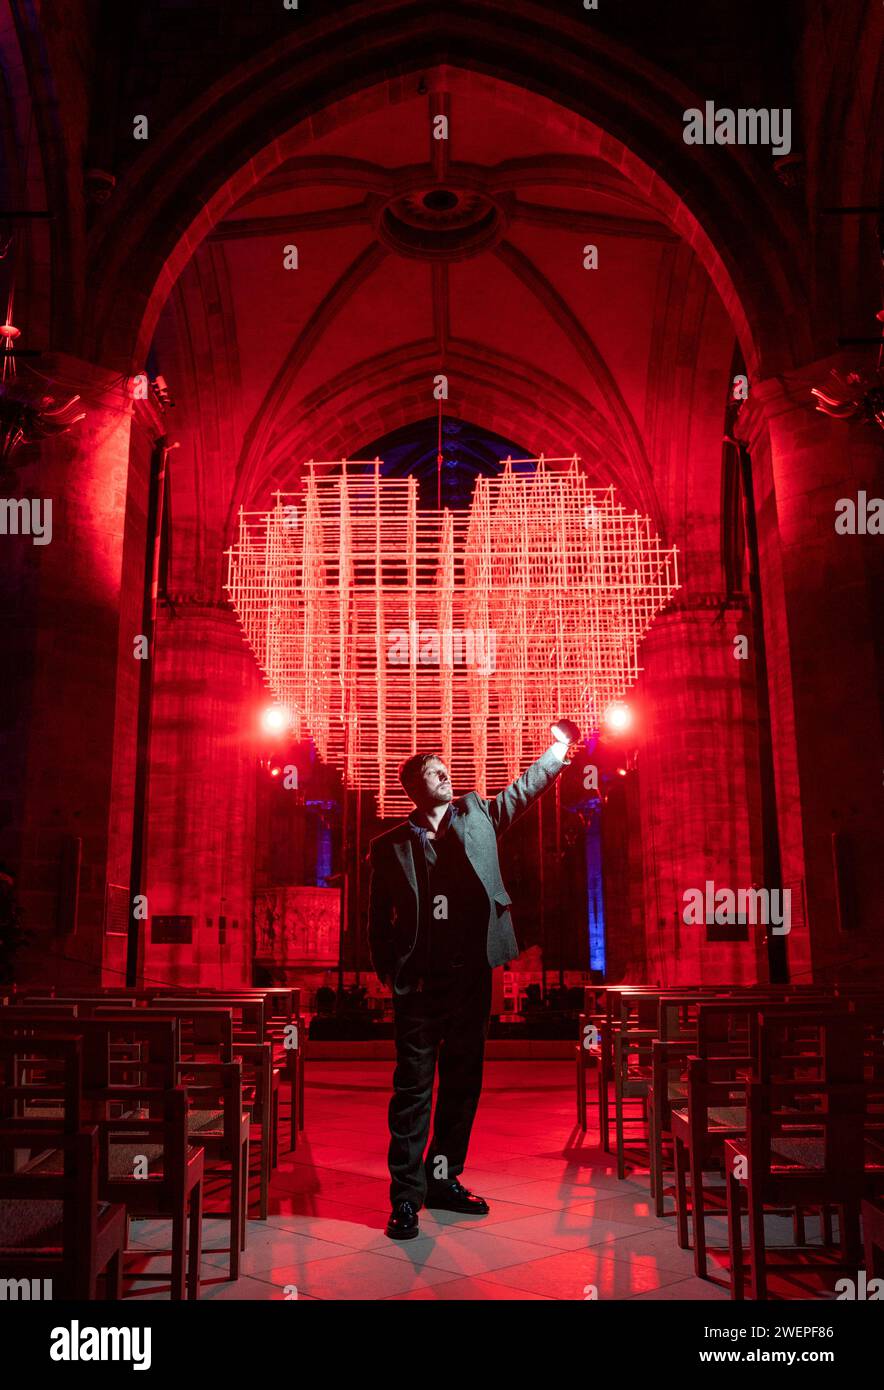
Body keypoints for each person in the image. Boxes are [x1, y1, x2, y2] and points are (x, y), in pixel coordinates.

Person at [368, 718, 581, 1239]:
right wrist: (393, 974)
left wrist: (557, 752)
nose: (447, 777)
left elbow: (523, 791)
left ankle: (443, 1179)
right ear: (414, 788)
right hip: (419, 987)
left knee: (462, 1084)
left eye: (445, 770)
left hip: (470, 981)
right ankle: (405, 1198)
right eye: (435, 774)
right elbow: (377, 924)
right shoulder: (389, 845)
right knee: (413, 1090)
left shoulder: (479, 812)